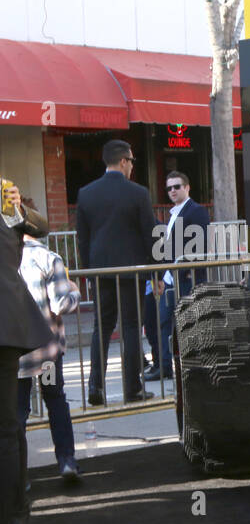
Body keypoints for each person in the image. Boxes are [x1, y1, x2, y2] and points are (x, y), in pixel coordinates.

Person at [75, 139, 157, 405]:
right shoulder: (138, 193)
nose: (132, 166)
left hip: (101, 270)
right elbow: (150, 236)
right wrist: (157, 272)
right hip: (131, 270)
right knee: (132, 327)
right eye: (131, 161)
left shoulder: (86, 193)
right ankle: (132, 388)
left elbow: (82, 239)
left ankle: (95, 388)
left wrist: (89, 271)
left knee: (102, 327)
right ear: (123, 161)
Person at [0, 180, 55, 524]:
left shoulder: (7, 204)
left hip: (6, 329)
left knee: (7, 429)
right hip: (8, 327)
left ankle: (14, 519)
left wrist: (17, 208)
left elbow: (41, 226)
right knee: (7, 430)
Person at [17, 229, 82, 524]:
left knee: (16, 416)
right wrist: (75, 290)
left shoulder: (7, 256)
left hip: (13, 356)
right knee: (56, 401)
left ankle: (19, 478)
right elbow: (61, 304)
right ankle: (66, 460)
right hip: (46, 353)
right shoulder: (46, 258)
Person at [143, 170, 209, 380]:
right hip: (171, 279)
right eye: (169, 187)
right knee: (164, 323)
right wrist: (163, 274)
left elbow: (201, 245)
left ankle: (191, 366)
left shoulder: (196, 211)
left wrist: (183, 268)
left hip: (187, 278)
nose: (172, 191)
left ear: (187, 187)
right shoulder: (173, 214)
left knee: (188, 324)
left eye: (177, 186)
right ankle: (164, 366)